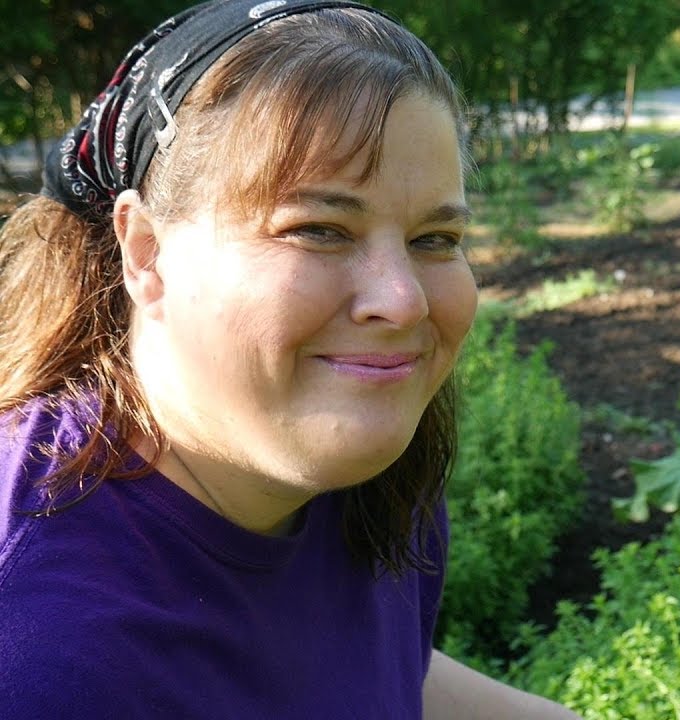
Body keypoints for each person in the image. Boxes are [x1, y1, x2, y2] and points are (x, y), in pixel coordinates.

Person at [0, 2, 582, 718]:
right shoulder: (42, 658)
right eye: (318, 230)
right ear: (145, 252)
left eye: (435, 238)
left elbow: (355, 666)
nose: (402, 302)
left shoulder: (359, 473)